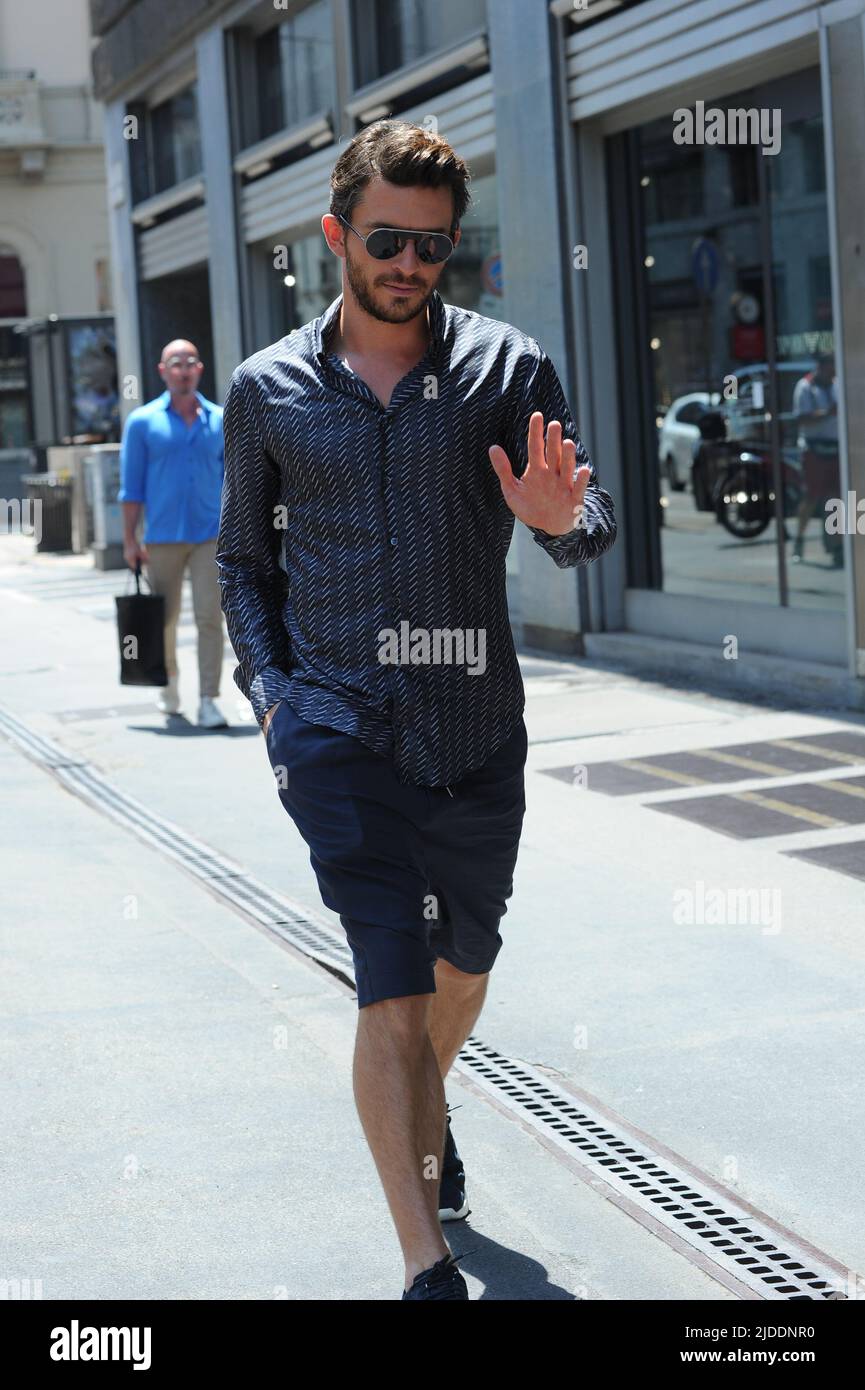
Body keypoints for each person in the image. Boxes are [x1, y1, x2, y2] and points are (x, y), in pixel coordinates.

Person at [216, 120, 617, 1300]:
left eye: (434, 248)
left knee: (463, 969)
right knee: (388, 982)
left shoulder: (505, 369)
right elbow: (245, 562)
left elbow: (583, 521)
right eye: (387, 240)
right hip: (338, 727)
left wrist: (556, 518)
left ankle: (423, 1113)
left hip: (476, 730)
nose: (408, 265)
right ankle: (424, 1261)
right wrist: (276, 699)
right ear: (336, 234)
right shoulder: (267, 389)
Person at [119, 340, 229, 727]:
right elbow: (130, 488)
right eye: (175, 363)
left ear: (200, 369)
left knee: (209, 618)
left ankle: (208, 699)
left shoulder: (219, 419)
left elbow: (234, 481)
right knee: (163, 618)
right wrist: (130, 540)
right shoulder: (142, 422)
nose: (183, 369)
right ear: (162, 370)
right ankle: (169, 684)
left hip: (209, 535)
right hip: (162, 536)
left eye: (190, 363)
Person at [791, 352, 841, 566]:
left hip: (836, 446)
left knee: (836, 497)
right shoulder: (805, 387)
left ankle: (836, 545)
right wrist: (826, 414)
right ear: (820, 367)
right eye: (829, 367)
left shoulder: (838, 384)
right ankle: (799, 539)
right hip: (813, 448)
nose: (833, 372)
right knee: (811, 496)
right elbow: (801, 419)